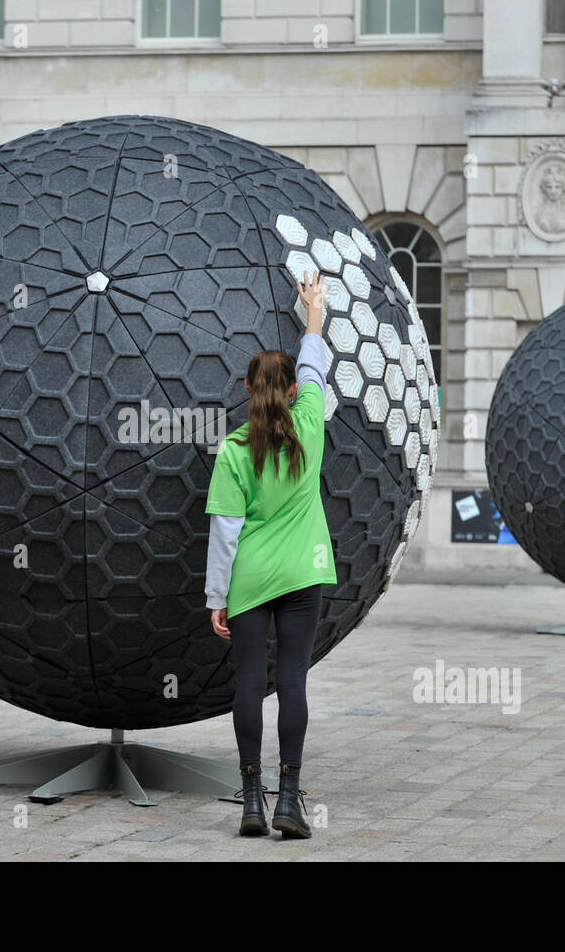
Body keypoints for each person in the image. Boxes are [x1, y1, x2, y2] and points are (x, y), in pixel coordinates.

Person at [203, 269, 337, 839]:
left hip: (251, 579)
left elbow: (225, 532)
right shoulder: (309, 425)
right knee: (294, 683)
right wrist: (313, 313)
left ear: (246, 390)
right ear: (289, 392)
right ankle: (289, 799)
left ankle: (251, 801)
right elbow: (313, 367)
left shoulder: (234, 450)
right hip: (303, 573)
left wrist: (217, 597)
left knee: (249, 685)